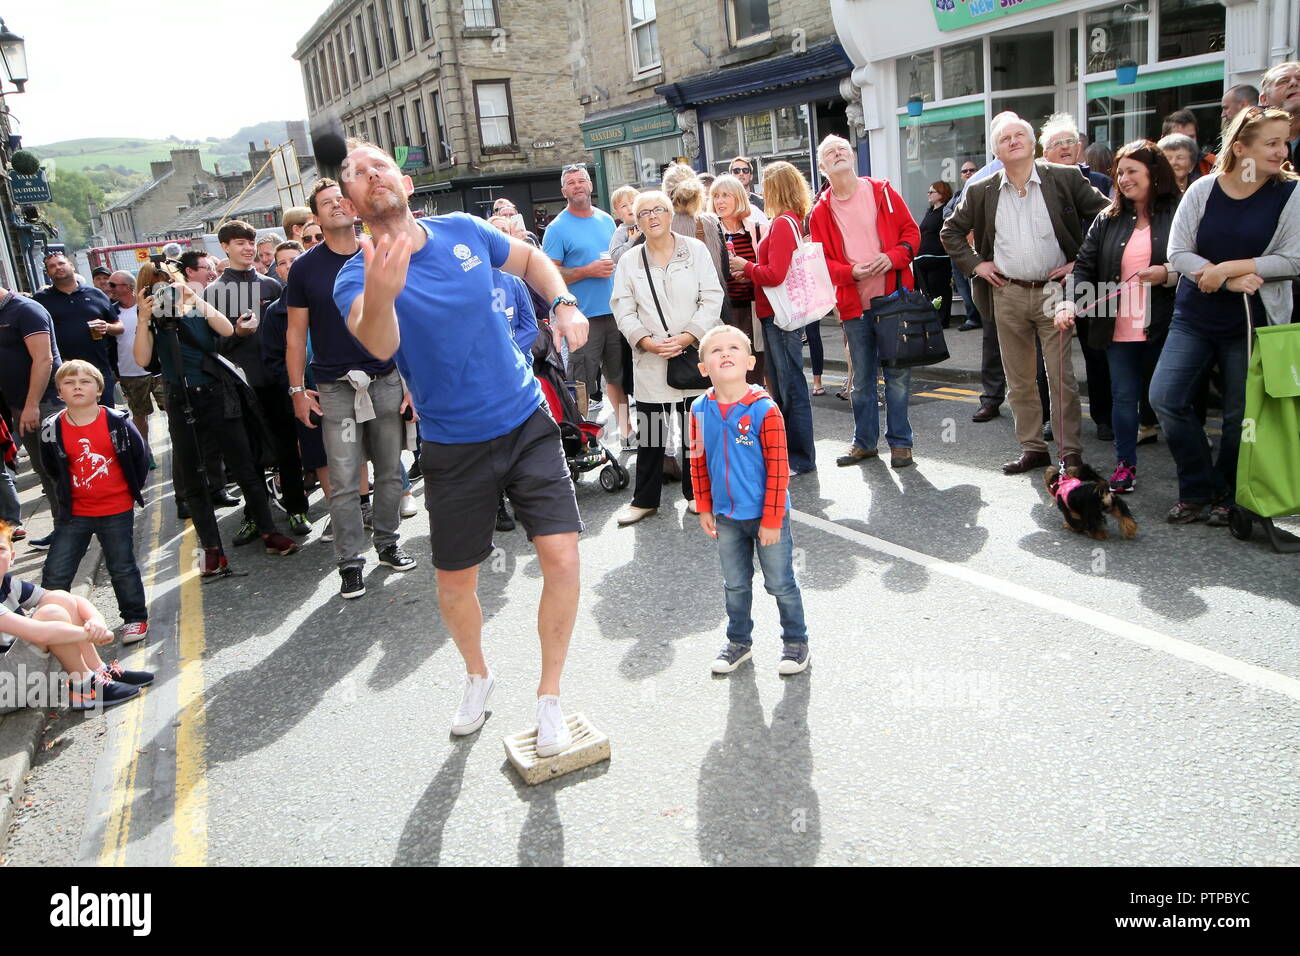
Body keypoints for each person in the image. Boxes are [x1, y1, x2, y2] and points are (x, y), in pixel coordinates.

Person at [336, 140, 589, 755]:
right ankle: (478, 675)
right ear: (349, 203)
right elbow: (378, 340)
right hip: (452, 445)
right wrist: (385, 288)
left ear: (403, 179)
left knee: (561, 557)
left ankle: (550, 697)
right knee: (455, 584)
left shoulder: (463, 229)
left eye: (380, 166)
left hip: (525, 420)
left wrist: (563, 302)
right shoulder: (355, 274)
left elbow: (531, 262)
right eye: (357, 175)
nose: (373, 176)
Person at [1152, 106, 1300, 525]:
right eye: (1271, 143)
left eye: (1284, 141)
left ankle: (1230, 493)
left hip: (1252, 324)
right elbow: (1177, 253)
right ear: (1240, 148)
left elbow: (1293, 260)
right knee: (1166, 397)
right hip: (1194, 317)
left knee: (1239, 415)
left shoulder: (1291, 193)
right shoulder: (1202, 190)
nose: (1281, 150)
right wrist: (1222, 278)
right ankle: (1201, 486)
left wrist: (1230, 269)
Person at [941, 111, 1109, 475]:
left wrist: (1078, 262)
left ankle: (1070, 454)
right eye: (1005, 138)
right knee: (1019, 380)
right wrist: (977, 265)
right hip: (1007, 293)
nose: (1014, 141)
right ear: (997, 152)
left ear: (1033, 145)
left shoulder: (1064, 177)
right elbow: (950, 232)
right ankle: (1033, 448)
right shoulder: (981, 189)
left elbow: (1107, 217)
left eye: (1020, 135)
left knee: (1060, 377)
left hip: (1055, 294)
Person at [286, 179, 416, 599]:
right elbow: (295, 333)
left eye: (341, 200)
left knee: (391, 470)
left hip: (386, 378)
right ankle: (350, 563)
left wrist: (411, 382)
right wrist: (296, 390)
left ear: (353, 207)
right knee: (342, 479)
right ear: (317, 217)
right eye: (326, 204)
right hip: (335, 388)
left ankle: (387, 543)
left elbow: (407, 319)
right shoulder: (306, 267)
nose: (336, 207)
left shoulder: (379, 248)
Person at [133, 260, 299, 575]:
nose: (165, 289)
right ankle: (211, 548)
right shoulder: (151, 319)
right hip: (181, 398)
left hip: (216, 394)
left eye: (168, 280)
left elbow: (225, 329)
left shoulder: (195, 305)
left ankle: (268, 531)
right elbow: (142, 360)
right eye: (156, 285)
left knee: (244, 467)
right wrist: (143, 318)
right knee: (195, 479)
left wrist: (193, 299)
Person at [1055, 141, 1181, 494]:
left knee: (1168, 400)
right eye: (1119, 172)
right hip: (1118, 324)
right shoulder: (1107, 218)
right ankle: (1125, 465)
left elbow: (1195, 260)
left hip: (1166, 324)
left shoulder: (1179, 210)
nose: (1124, 179)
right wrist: (1069, 304)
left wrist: (1167, 273)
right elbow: (1084, 266)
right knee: (1124, 399)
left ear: (1154, 174)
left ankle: (1192, 472)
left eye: (1132, 171)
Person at [688, 324, 808, 676]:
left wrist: (772, 520)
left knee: (781, 583)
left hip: (766, 516)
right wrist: (704, 505)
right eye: (715, 350)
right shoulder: (698, 410)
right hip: (725, 516)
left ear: (750, 362)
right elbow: (696, 461)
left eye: (733, 349)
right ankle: (738, 642)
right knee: (735, 584)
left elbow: (779, 470)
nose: (725, 354)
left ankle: (796, 641)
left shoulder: (764, 410)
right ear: (703, 368)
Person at [809, 135, 921, 470]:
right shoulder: (820, 212)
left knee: (898, 376)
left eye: (842, 148)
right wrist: (850, 271)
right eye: (830, 152)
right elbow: (823, 263)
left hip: (894, 300)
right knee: (861, 381)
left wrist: (894, 257)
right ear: (823, 167)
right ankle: (865, 443)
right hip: (854, 307)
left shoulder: (882, 191)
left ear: (853, 157)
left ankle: (901, 444)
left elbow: (912, 234)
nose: (838, 153)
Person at [611, 190, 722, 526]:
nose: (652, 216)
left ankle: (696, 494)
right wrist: (647, 342)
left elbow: (712, 297)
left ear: (671, 214)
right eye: (643, 212)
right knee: (651, 434)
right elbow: (622, 307)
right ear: (637, 221)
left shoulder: (696, 250)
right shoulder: (630, 260)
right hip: (651, 357)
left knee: (695, 434)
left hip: (691, 353)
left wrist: (689, 335)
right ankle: (645, 500)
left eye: (658, 209)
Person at [206, 220, 310, 544]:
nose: (248, 248)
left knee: (287, 450)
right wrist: (236, 334)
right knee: (246, 457)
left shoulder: (272, 286)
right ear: (224, 247)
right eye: (240, 243)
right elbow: (211, 349)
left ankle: (296, 508)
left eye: (250, 242)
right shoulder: (213, 293)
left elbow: (294, 335)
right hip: (239, 387)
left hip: (276, 381)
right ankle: (255, 516)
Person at [37, 360, 150, 645]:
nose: (77, 387)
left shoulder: (116, 422)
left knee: (122, 566)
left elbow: (139, 457)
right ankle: (53, 622)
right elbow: (51, 467)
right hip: (75, 512)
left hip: (116, 508)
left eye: (85, 382)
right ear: (59, 392)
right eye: (69, 383)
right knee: (56, 570)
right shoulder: (52, 428)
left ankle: (135, 617)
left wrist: (127, 492)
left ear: (99, 390)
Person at [0, 521, 152, 713]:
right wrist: (88, 633)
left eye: (0, 549)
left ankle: (98, 671)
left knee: (59, 598)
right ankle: (85, 687)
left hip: (18, 675)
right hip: (5, 691)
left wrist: (96, 622)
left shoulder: (8, 583)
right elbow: (39, 633)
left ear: (12, 557)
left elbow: (71, 600)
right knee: (51, 614)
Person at [728, 162, 818, 475]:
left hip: (779, 317)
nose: (762, 192)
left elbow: (776, 274)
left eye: (767, 185)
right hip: (780, 313)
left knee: (791, 386)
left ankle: (800, 458)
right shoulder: (790, 221)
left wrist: (746, 266)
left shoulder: (781, 223)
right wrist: (752, 275)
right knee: (785, 384)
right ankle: (795, 456)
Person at [543, 164, 629, 441]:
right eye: (571, 182)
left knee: (619, 378)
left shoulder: (606, 220)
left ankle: (626, 432)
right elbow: (548, 275)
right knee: (579, 382)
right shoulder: (557, 229)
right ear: (563, 191)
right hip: (582, 318)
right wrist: (586, 271)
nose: (578, 185)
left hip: (616, 312)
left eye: (582, 180)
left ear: (591, 186)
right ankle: (577, 436)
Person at [0, 283, 64, 548]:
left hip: (45, 403)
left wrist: (32, 405)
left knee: (58, 469)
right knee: (44, 470)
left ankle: (74, 529)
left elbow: (44, 360)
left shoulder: (26, 310)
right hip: (19, 405)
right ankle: (64, 530)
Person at [33, 253, 121, 407]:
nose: (58, 268)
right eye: (52, 266)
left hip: (98, 371)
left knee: (104, 418)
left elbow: (119, 326)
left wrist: (107, 327)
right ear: (48, 274)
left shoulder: (96, 294)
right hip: (64, 374)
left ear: (71, 266)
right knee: (74, 423)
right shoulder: (41, 300)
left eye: (61, 263)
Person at [710, 173, 768, 385]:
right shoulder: (710, 232)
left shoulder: (757, 230)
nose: (720, 201)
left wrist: (749, 275)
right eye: (716, 196)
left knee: (756, 367)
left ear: (739, 198)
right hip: (726, 312)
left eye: (726, 195)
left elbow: (768, 269)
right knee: (729, 369)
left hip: (755, 309)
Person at [106, 270, 165, 462]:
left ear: (129, 287)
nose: (110, 288)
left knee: (172, 411)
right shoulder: (110, 311)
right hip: (129, 373)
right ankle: (145, 453)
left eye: (114, 285)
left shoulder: (148, 306)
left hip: (157, 372)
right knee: (139, 415)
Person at [946, 160, 984, 332]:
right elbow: (947, 215)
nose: (968, 173)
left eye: (972, 170)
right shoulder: (957, 195)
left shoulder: (983, 190)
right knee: (962, 285)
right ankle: (972, 317)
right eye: (964, 171)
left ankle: (983, 317)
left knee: (975, 283)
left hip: (977, 247)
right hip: (958, 248)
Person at [1041, 113, 1113, 195]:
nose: (1065, 146)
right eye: (1058, 143)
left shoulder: (1102, 182)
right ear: (1046, 155)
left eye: (1070, 141)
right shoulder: (1040, 186)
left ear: (1078, 148)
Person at [915, 180, 953, 329]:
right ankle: (930, 319)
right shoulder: (930, 212)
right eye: (928, 192)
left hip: (938, 258)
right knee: (926, 292)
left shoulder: (946, 212)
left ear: (942, 194)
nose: (928, 195)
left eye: (932, 192)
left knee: (940, 289)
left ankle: (942, 320)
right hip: (922, 258)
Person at [1259, 61, 1300, 169]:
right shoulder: (1250, 142)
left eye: (1299, 79)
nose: (1294, 83)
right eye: (1283, 81)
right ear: (1264, 99)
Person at [1162, 109, 1215, 177]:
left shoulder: (1212, 164)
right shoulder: (1150, 168)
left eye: (1191, 137)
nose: (1187, 142)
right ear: (1163, 140)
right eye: (1180, 138)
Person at [608, 185, 642, 264]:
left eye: (633, 203)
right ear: (617, 213)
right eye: (624, 206)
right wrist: (631, 241)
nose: (629, 208)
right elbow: (614, 257)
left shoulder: (646, 225)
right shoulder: (621, 232)